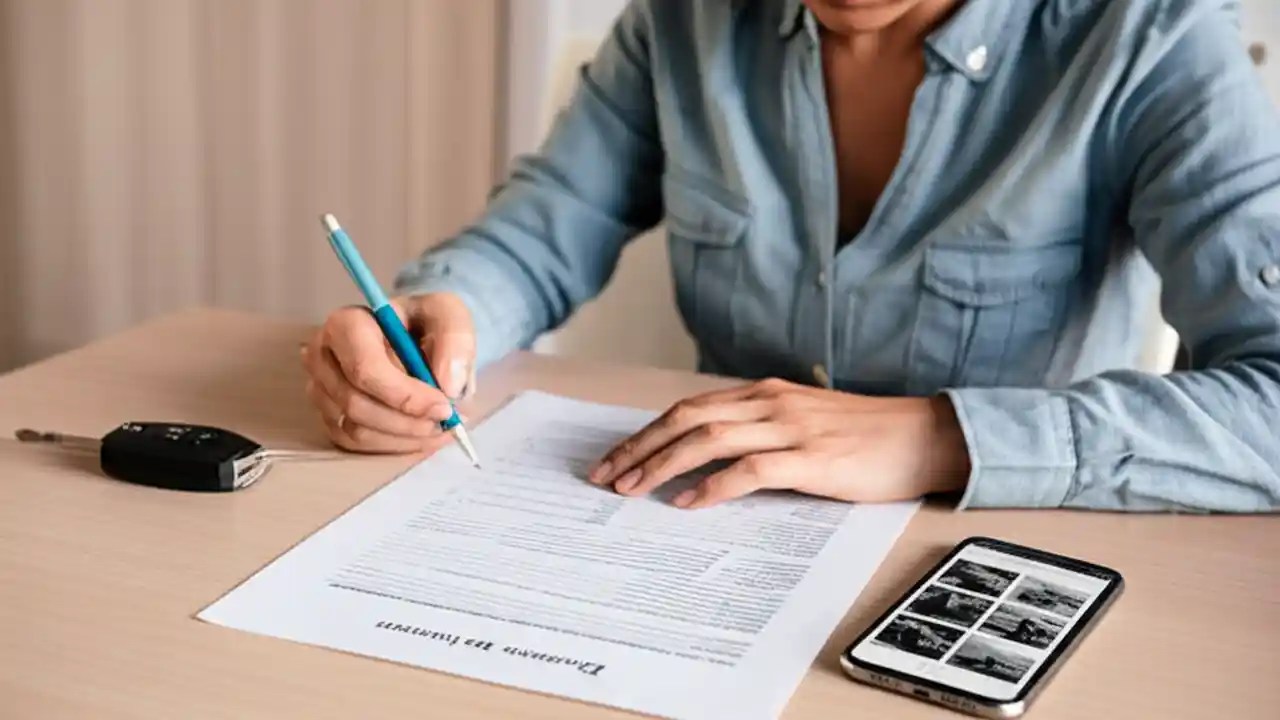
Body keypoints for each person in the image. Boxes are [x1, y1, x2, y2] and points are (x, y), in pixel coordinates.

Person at [300, 0, 1280, 513]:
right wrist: (445, 317)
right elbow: (545, 223)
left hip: (984, 550)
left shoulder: (1151, 35)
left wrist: (934, 438)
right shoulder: (681, 19)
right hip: (691, 536)